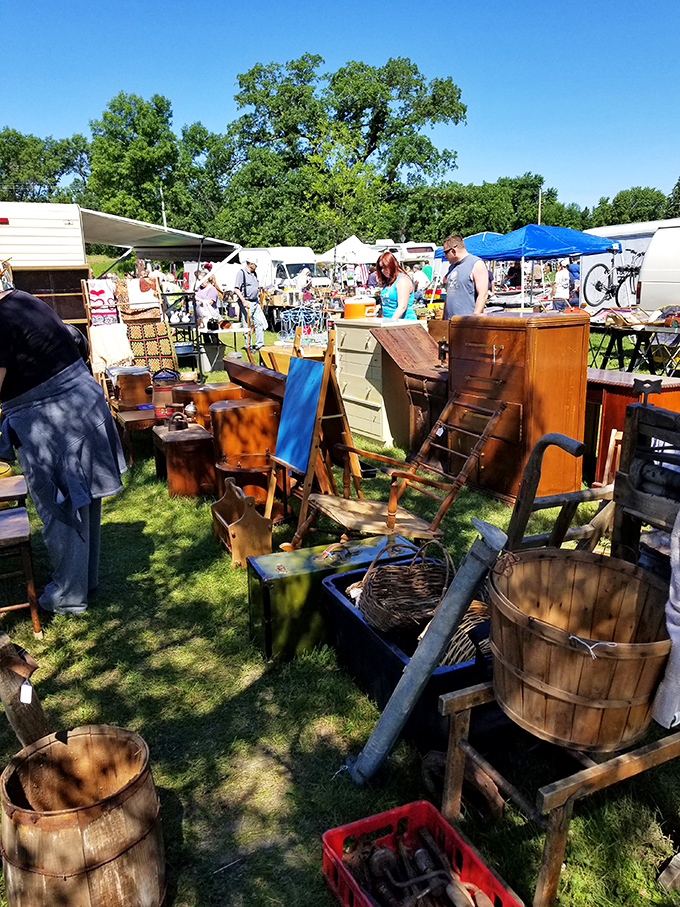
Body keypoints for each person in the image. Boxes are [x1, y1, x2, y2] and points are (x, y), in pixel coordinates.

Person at [0, 285, 126, 615]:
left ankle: (68, 595)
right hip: (83, 407)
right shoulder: (22, 299)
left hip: (57, 419)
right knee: (82, 503)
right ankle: (84, 580)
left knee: (61, 508)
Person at [441, 234, 489, 318]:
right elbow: (448, 296)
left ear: (453, 251)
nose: (445, 256)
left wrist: (474, 319)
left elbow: (483, 295)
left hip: (467, 321)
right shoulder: (452, 267)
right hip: (450, 321)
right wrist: (443, 319)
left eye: (446, 252)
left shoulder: (476, 264)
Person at [234, 258, 267, 350]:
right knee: (247, 325)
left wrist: (259, 301)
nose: (256, 267)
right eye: (255, 265)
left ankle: (259, 345)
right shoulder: (241, 273)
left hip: (255, 301)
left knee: (259, 323)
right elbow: (236, 289)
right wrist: (244, 301)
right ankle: (248, 345)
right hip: (247, 301)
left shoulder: (254, 274)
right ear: (251, 264)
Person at [376, 251, 417, 320]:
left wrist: (391, 323)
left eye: (385, 267)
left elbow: (402, 307)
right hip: (387, 321)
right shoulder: (388, 281)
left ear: (392, 265)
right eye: (381, 268)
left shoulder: (402, 280)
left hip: (404, 321)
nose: (383, 270)